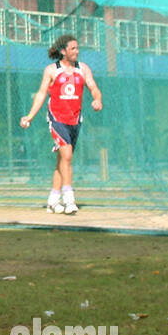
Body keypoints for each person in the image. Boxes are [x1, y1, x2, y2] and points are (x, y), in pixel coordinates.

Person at [19, 34, 102, 213]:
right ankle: (69, 199)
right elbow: (41, 94)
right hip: (57, 119)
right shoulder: (52, 70)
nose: (76, 51)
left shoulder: (83, 69)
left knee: (62, 161)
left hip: (75, 120)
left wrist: (97, 100)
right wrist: (30, 116)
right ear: (63, 51)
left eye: (77, 48)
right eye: (73, 48)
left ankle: (53, 199)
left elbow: (94, 88)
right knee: (67, 156)